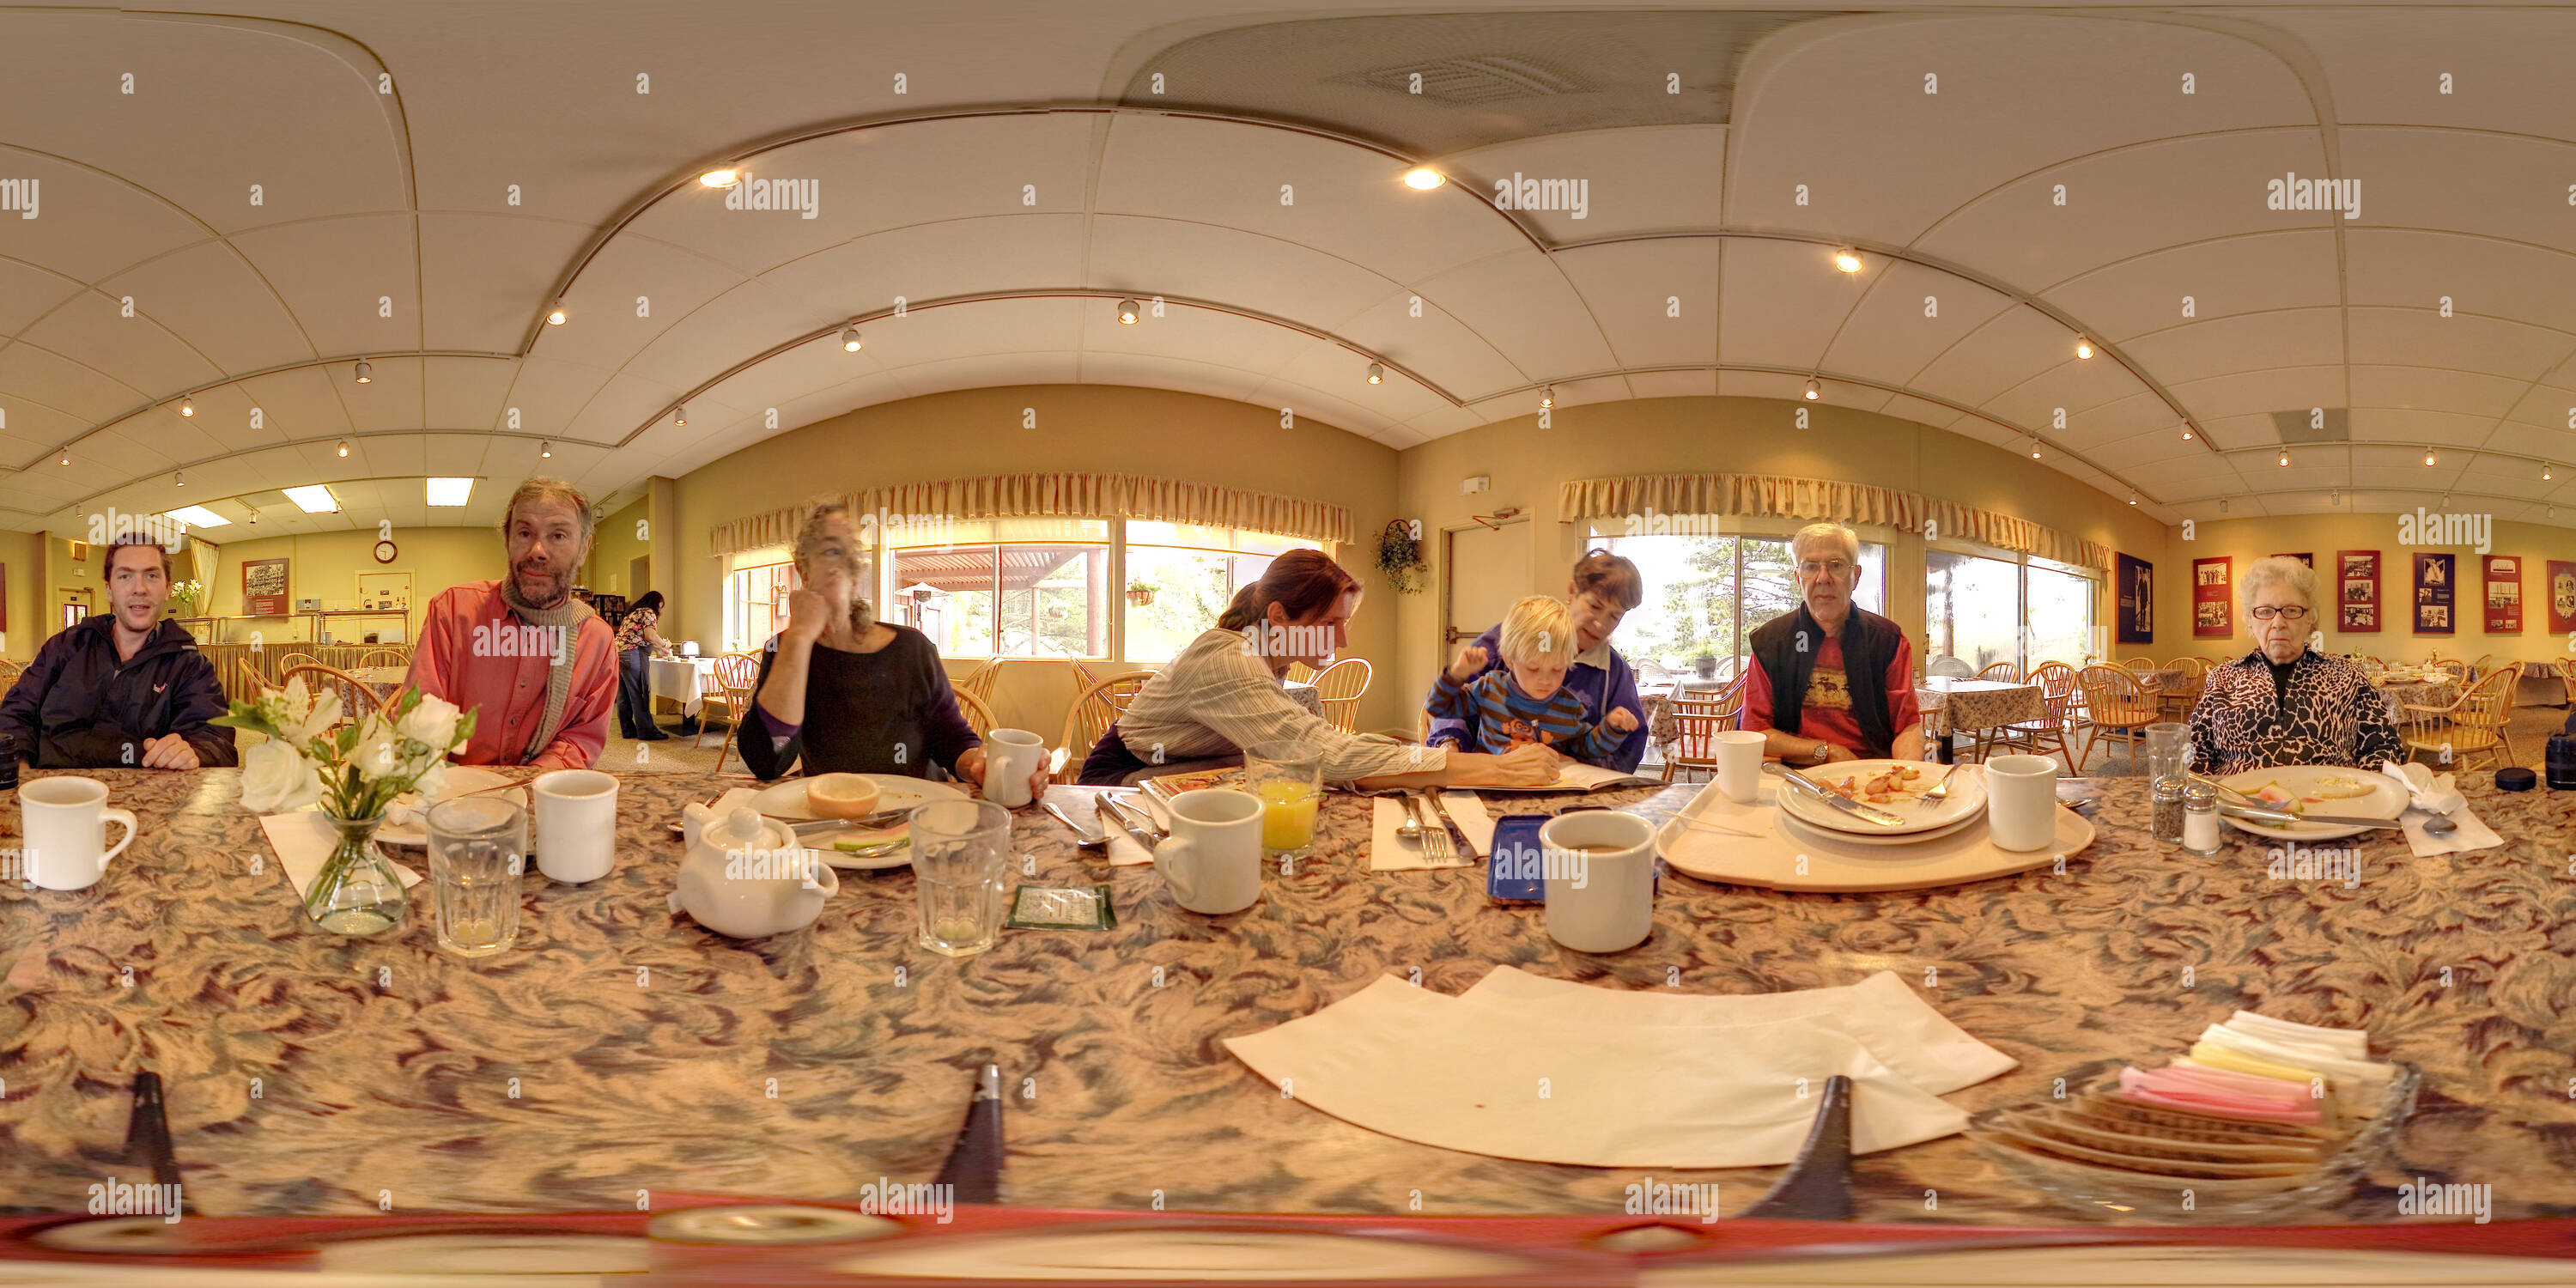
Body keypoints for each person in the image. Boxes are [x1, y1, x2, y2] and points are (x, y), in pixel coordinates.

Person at [1080, 549, 1562, 788]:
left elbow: (1311, 739)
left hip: (1183, 765)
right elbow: (1318, 753)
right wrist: (1494, 770)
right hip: (1121, 781)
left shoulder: (1269, 653)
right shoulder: (1231, 660)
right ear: (1279, 617)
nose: (1344, 639)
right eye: (1331, 623)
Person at [738, 501, 1047, 799]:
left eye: (848, 555)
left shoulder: (911, 647)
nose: (839, 565)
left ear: (856, 574)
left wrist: (978, 765)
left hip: (916, 812)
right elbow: (766, 761)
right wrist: (799, 639)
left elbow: (951, 738)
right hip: (835, 815)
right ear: (802, 570)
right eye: (830, 550)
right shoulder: (785, 650)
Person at [404, 477, 618, 769]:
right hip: (454, 797)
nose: (538, 550)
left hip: (541, 799)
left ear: (583, 549)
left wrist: (524, 789)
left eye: (558, 535)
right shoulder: (451, 611)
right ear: (508, 540)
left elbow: (579, 740)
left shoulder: (598, 642)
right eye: (525, 532)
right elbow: (419, 724)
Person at [0, 534, 235, 769]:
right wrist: (20, 765)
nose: (139, 589)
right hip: (50, 790)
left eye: (151, 576)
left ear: (166, 589)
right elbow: (16, 712)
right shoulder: (65, 647)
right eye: (125, 576)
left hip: (142, 799)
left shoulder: (191, 666)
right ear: (109, 590)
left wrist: (194, 753)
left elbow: (218, 743)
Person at [1426, 548, 1648, 770]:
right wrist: (1450, 746)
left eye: (1614, 616)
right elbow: (1449, 705)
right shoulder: (1509, 640)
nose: (1601, 623)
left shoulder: (1612, 673)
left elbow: (1623, 745)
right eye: (1595, 606)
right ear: (1573, 591)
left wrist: (1583, 762)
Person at [2190, 555, 2401, 775]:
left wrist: (2357, 795)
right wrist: (2213, 799)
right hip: (2240, 805)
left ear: (2310, 618)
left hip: (2329, 802)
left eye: (2291, 610)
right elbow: (2193, 750)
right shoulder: (2223, 678)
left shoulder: (2347, 674)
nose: (2278, 623)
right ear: (2250, 619)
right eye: (2265, 611)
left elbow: (2384, 747)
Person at [1741, 522, 1927, 763]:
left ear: (1855, 576)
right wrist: (1826, 751)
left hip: (1870, 771)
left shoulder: (1888, 641)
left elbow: (1907, 727)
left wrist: (1905, 778)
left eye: (1836, 565)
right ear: (1798, 578)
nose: (1823, 578)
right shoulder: (1771, 643)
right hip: (1796, 776)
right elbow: (1755, 732)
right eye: (1810, 566)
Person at [1428, 596, 1634, 762]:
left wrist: (1611, 728)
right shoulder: (1489, 690)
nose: (1545, 680)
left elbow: (1589, 748)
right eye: (1533, 668)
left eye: (1557, 669)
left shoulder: (1570, 708)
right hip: (1489, 788)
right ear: (1509, 660)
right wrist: (1457, 674)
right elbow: (1437, 707)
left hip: (1544, 793)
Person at [613, 591, 675, 741]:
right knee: (640, 693)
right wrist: (666, 644)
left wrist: (660, 649)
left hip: (618, 654)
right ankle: (647, 731)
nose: (661, 610)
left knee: (624, 695)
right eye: (661, 606)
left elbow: (641, 638)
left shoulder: (633, 613)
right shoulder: (649, 612)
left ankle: (628, 730)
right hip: (632, 654)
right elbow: (650, 636)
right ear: (656, 603)